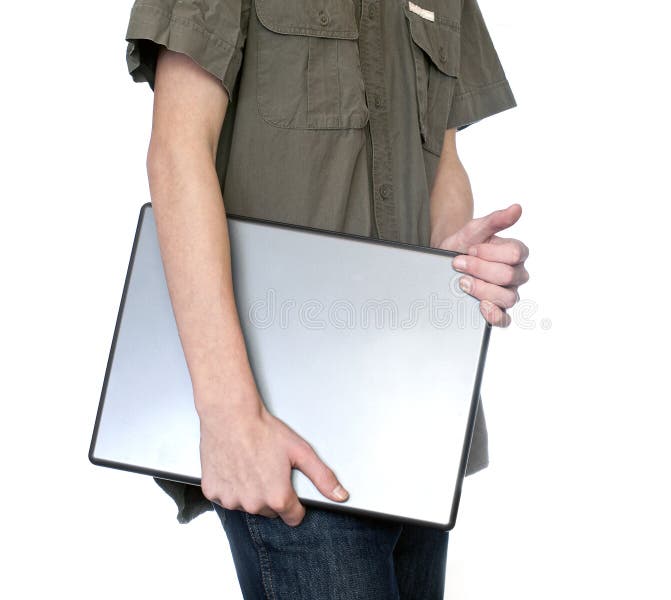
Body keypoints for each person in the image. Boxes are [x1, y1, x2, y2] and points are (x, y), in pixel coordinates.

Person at [123, 0, 530, 597]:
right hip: (287, 428)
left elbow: (442, 162)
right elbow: (178, 151)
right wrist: (230, 417)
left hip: (408, 421)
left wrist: (457, 259)